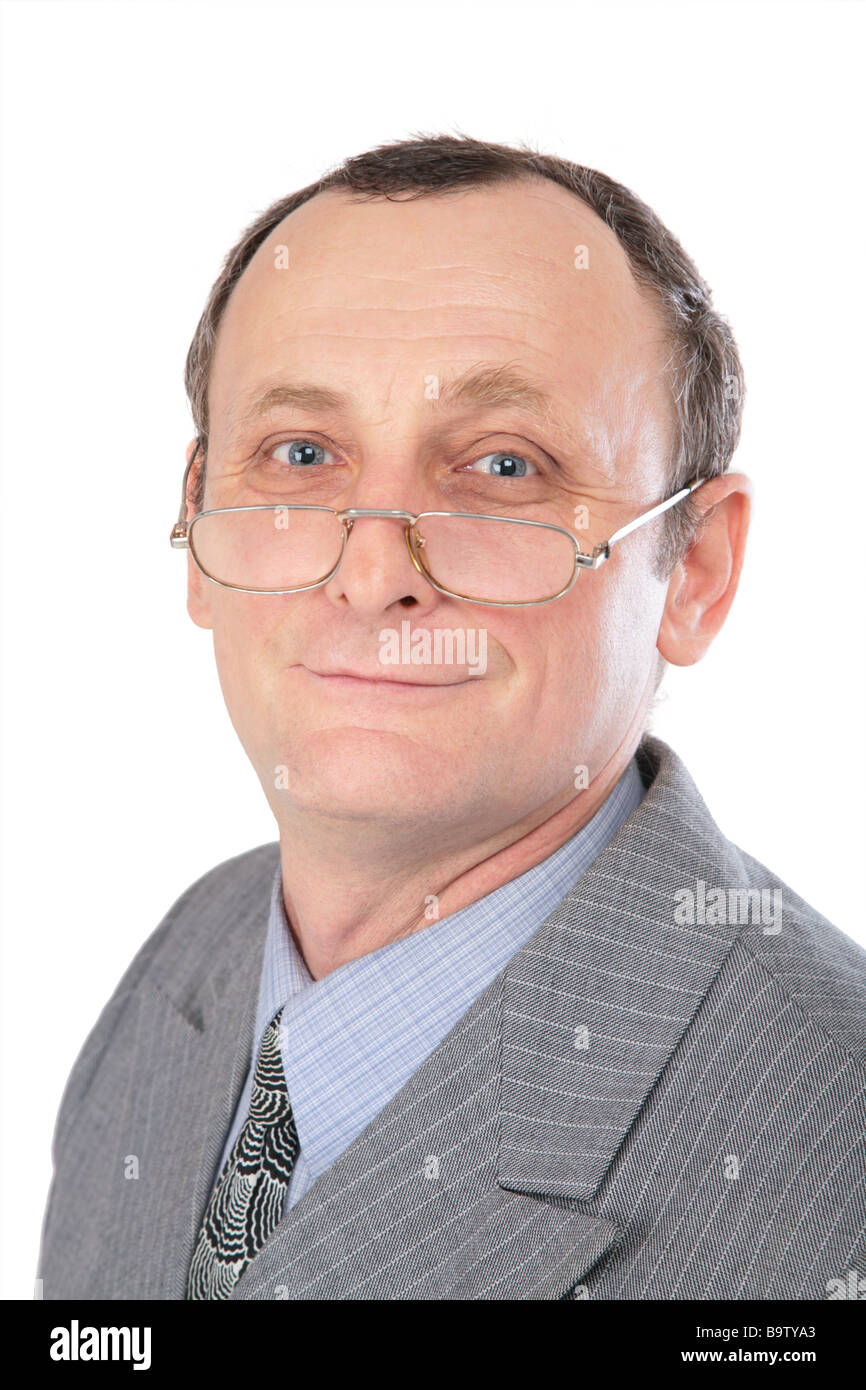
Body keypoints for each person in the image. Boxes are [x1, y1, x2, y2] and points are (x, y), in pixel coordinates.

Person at [38, 133, 866, 1301]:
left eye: (502, 467)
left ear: (694, 572)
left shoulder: (838, 1163)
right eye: (301, 451)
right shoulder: (189, 960)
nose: (373, 572)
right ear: (196, 521)